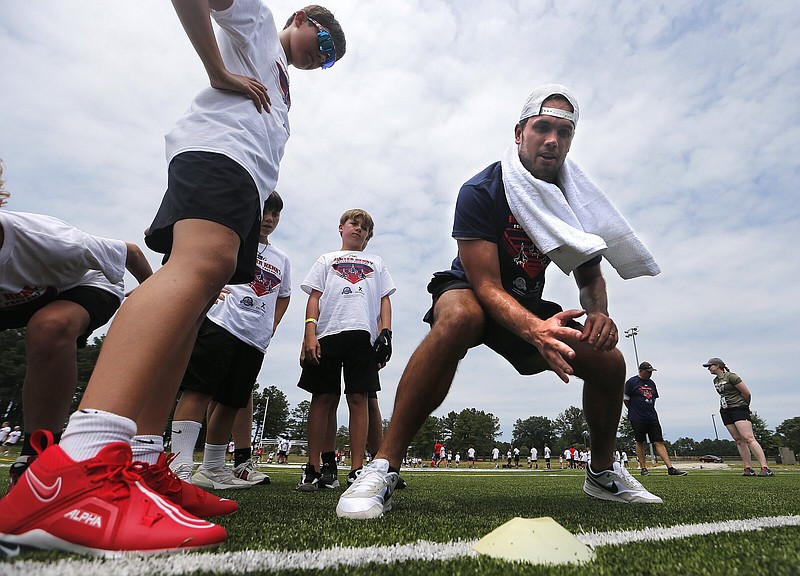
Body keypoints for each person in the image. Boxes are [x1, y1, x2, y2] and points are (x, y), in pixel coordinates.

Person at [0, 1, 346, 554]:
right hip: (216, 155)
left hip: (245, 180)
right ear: (304, 19)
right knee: (199, 267)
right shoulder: (258, 22)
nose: (319, 60)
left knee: (200, 291)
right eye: (323, 47)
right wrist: (217, 71)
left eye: (328, 62)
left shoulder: (283, 86)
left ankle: (141, 462)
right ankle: (78, 465)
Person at [337, 84, 662, 519]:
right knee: (460, 318)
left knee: (609, 361)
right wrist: (536, 329)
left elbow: (589, 274)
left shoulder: (573, 201)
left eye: (564, 132)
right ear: (519, 133)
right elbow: (486, 285)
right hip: (472, 288)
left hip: (524, 301)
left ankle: (602, 472)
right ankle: (383, 465)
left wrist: (600, 313)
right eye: (542, 127)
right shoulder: (482, 190)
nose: (552, 140)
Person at [0, 168, 154, 489]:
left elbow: (131, 253)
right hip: (20, 299)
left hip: (84, 287)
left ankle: (39, 453)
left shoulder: (48, 239)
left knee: (49, 327)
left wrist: (157, 298)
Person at [167, 193, 290, 490]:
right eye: (264, 212)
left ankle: (211, 468)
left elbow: (284, 295)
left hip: (254, 338)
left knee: (232, 402)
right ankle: (178, 465)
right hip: (221, 324)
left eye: (275, 214)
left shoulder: (281, 259)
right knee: (200, 391)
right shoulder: (234, 241)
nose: (269, 219)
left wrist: (271, 324)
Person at [296, 209, 395, 492]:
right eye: (354, 223)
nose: (359, 229)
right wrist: (309, 332)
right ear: (341, 227)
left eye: (365, 228)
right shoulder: (327, 259)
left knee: (358, 398)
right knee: (323, 397)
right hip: (327, 332)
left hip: (362, 335)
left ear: (368, 238)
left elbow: (385, 299)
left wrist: (385, 332)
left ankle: (356, 469)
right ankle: (313, 467)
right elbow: (315, 297)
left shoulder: (376, 262)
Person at [703, 357, 774, 477]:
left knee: (748, 437)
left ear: (718, 365)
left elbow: (746, 393)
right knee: (738, 439)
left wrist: (746, 406)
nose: (708, 368)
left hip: (739, 408)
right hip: (725, 410)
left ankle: (765, 467)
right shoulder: (715, 381)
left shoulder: (731, 376)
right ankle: (748, 468)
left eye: (710, 366)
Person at [624, 361, 687, 477]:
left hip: (652, 416)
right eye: (648, 372)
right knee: (639, 441)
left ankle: (670, 468)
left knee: (659, 441)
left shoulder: (652, 383)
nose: (649, 374)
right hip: (637, 417)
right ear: (641, 371)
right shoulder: (631, 382)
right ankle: (643, 468)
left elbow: (654, 398)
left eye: (651, 372)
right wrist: (634, 409)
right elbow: (626, 399)